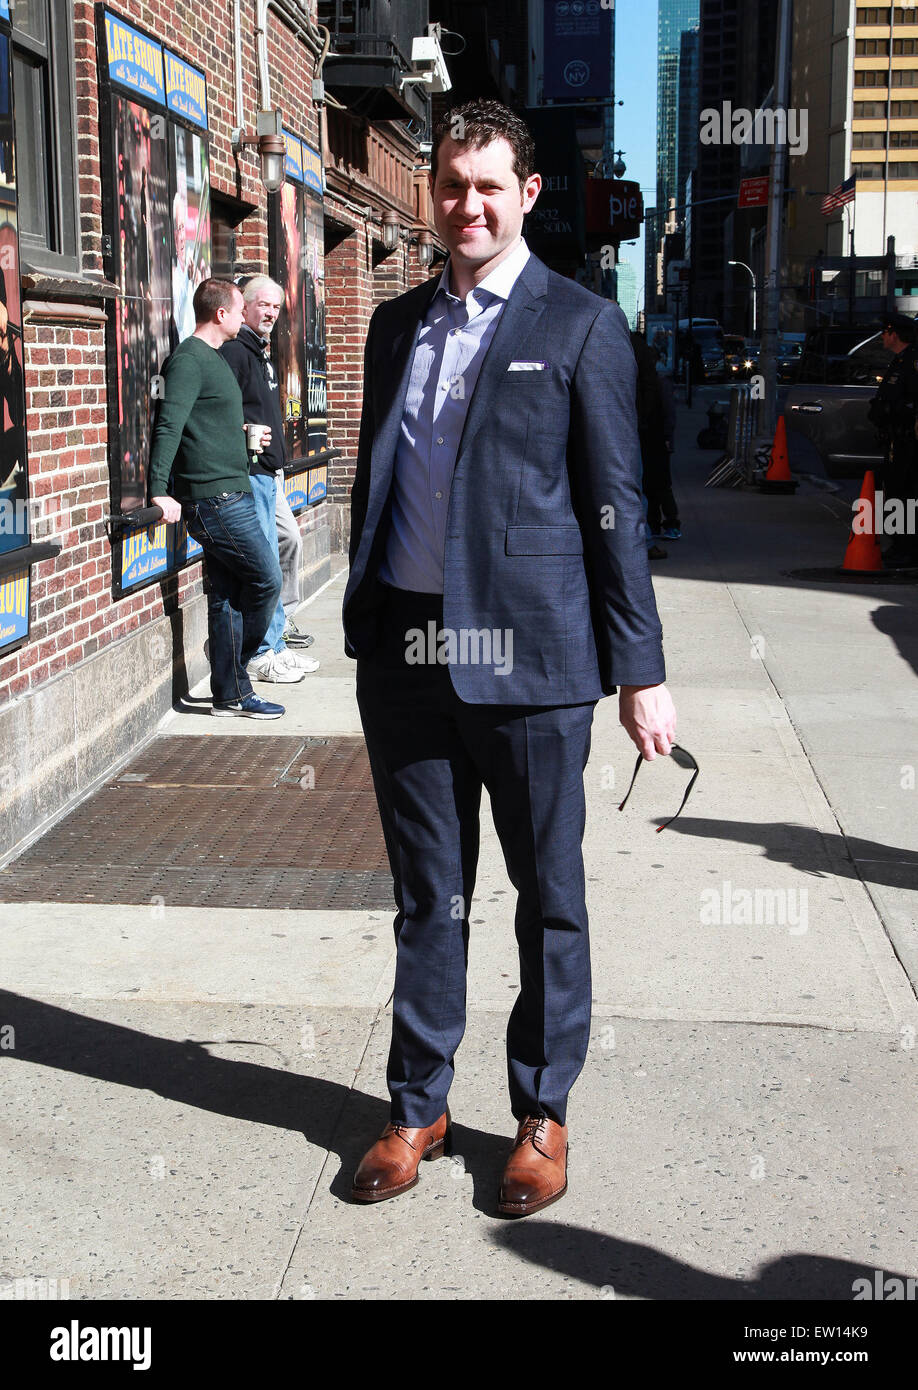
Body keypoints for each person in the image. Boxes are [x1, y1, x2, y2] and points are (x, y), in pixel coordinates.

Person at [343, 99, 676, 1216]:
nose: (467, 205)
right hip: (408, 652)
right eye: (450, 185)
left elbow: (616, 505)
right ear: (429, 193)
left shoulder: (579, 324)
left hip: (530, 662)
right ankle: (417, 1104)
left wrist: (641, 669)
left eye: (489, 185)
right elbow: (377, 478)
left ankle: (541, 1110)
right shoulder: (395, 324)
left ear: (527, 193)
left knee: (550, 896)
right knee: (427, 896)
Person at [149, 278, 285, 719]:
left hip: (233, 488)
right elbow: (168, 425)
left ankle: (229, 694)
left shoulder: (214, 360)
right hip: (215, 499)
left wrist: (246, 435)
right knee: (267, 579)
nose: (248, 314)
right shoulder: (188, 360)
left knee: (227, 597)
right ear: (221, 314)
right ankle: (235, 666)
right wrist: (158, 490)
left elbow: (203, 424)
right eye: (240, 307)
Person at [219, 275, 319, 681]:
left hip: (271, 473)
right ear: (245, 306)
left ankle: (276, 640)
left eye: (277, 308)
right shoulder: (234, 352)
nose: (272, 314)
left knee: (287, 546)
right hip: (251, 472)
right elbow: (218, 410)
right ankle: (262, 651)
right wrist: (244, 433)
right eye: (264, 305)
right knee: (265, 566)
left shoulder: (260, 352)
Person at [868, 311, 918, 569]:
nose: (882, 336)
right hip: (894, 441)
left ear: (894, 333)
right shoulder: (898, 362)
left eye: (885, 332)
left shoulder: (912, 362)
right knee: (895, 494)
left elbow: (912, 404)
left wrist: (892, 410)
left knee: (904, 496)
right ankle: (900, 545)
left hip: (908, 442)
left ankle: (906, 549)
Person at [631, 330, 680, 552]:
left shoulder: (659, 384)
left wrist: (667, 437)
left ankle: (667, 524)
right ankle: (655, 526)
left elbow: (666, 412)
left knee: (657, 485)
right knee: (650, 485)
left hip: (651, 435)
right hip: (645, 433)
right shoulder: (652, 382)